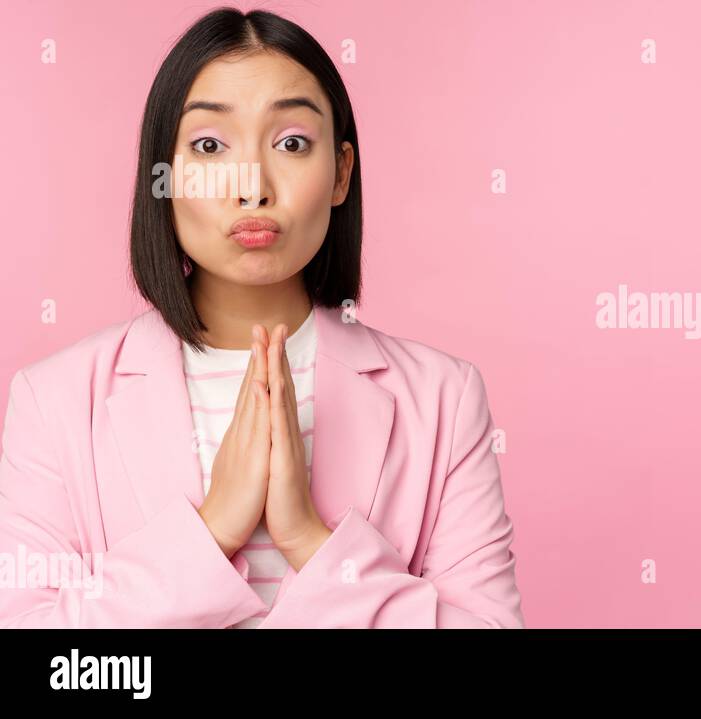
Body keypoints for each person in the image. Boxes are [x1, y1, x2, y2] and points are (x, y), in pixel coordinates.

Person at [0, 7, 523, 628]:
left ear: (341, 174)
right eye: (211, 145)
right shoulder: (53, 399)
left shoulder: (442, 397)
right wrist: (212, 530)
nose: (253, 186)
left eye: (292, 143)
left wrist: (311, 539)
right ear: (161, 178)